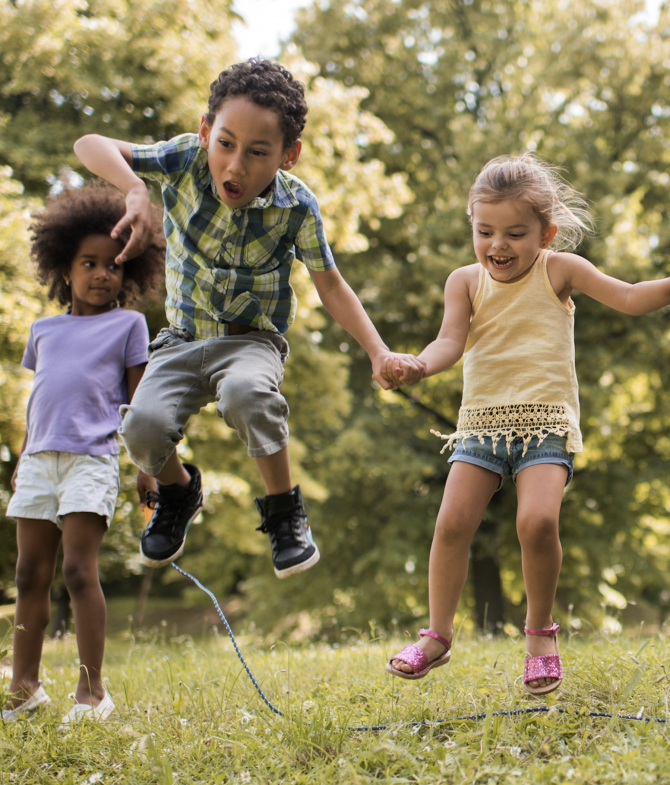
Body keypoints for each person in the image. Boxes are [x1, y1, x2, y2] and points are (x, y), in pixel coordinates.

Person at [73, 58, 423, 578]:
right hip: (182, 340)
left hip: (251, 343)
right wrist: (135, 188)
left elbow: (331, 283)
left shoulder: (297, 207)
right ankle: (178, 491)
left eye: (258, 153)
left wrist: (378, 351)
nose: (235, 167)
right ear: (206, 131)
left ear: (289, 155)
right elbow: (89, 144)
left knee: (246, 394)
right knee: (142, 428)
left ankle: (284, 510)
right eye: (226, 144)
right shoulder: (185, 160)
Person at [384, 153, 670, 695]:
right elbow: (450, 342)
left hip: (545, 425)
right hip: (479, 429)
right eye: (484, 230)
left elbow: (630, 298)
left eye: (515, 233)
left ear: (546, 232)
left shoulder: (558, 270)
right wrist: (418, 364)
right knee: (451, 525)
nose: (498, 245)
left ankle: (540, 633)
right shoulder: (464, 282)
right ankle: (437, 635)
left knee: (536, 523)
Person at [3, 181, 163, 723]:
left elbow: (139, 406)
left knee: (77, 569)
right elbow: (41, 397)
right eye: (88, 263)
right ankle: (24, 688)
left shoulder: (129, 325)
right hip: (40, 461)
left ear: (129, 272)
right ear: (64, 270)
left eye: (114, 265)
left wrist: (148, 469)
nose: (102, 274)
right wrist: (23, 456)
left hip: (90, 460)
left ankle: (92, 693)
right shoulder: (44, 330)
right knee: (29, 574)